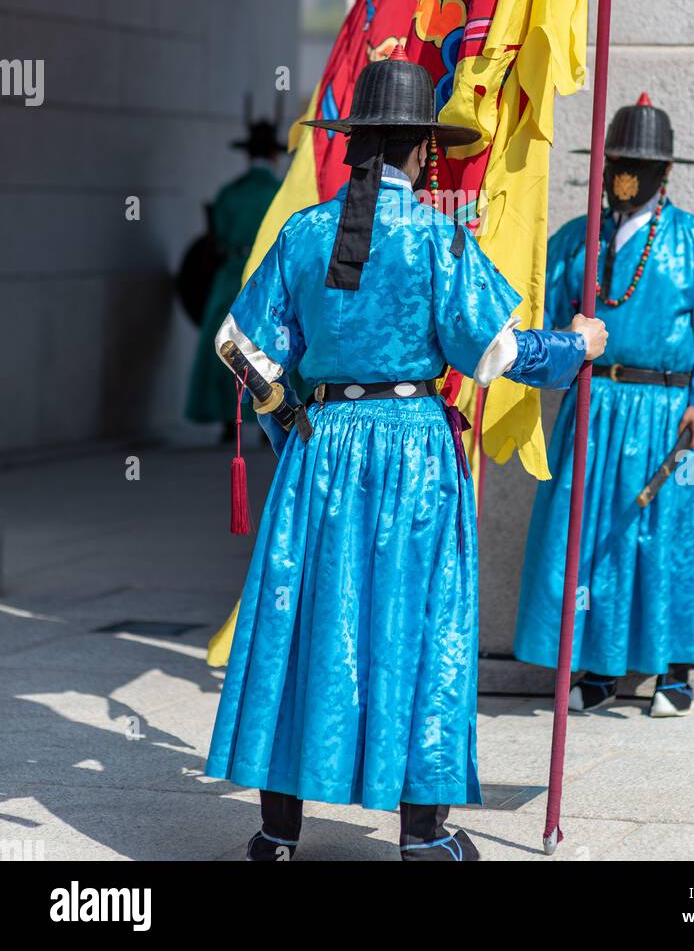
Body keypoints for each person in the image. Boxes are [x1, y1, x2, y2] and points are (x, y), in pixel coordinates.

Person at [203, 50, 607, 861]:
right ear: (422, 149)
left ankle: (276, 833)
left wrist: (293, 425)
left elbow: (237, 348)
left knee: (304, 620)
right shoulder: (435, 237)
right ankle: (423, 838)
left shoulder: (304, 232)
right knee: (420, 629)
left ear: (354, 143)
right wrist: (576, 344)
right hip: (413, 452)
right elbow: (493, 351)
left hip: (323, 453)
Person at [513, 94, 694, 717]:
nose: (626, 173)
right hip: (594, 407)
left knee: (667, 535)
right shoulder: (576, 240)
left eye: (639, 163)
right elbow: (542, 320)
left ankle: (675, 670)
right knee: (590, 535)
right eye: (616, 159)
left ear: (665, 173)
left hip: (664, 409)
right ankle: (598, 666)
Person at [185, 117, 282, 435]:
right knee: (271, 344)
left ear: (247, 155)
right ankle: (270, 415)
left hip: (230, 275)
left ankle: (229, 418)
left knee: (222, 341)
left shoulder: (229, 193)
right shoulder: (280, 193)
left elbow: (218, 238)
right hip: (266, 276)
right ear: (274, 156)